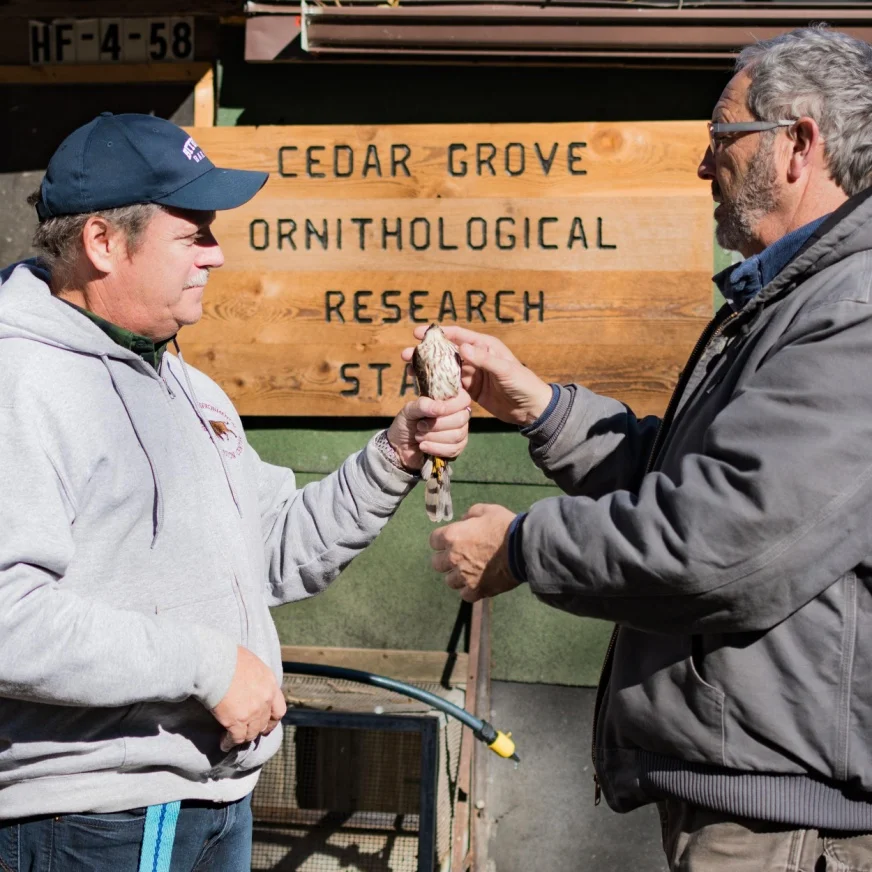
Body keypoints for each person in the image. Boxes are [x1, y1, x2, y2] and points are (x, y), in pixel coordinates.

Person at [418, 25, 872, 871]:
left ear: (800, 146)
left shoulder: (854, 308)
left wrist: (521, 547)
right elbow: (693, 478)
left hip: (788, 819)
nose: (706, 166)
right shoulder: (798, 294)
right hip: (753, 786)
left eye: (722, 138)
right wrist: (541, 406)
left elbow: (722, 540)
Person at [0, 112, 470, 871]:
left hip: (215, 800)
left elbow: (278, 549)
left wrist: (397, 452)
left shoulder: (192, 389)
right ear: (102, 243)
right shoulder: (18, 381)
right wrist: (208, 666)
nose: (217, 256)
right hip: (91, 819)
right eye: (194, 235)